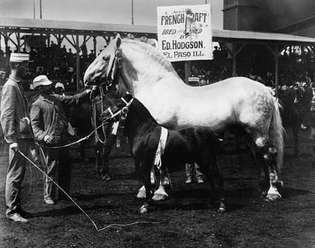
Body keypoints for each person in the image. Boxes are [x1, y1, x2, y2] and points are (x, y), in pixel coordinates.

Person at [30, 75, 91, 205]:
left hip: (62, 140)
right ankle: (48, 196)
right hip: (50, 142)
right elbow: (34, 127)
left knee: (65, 167)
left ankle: (64, 195)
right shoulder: (37, 104)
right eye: (46, 85)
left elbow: (73, 99)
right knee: (51, 168)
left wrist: (88, 92)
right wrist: (44, 136)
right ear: (40, 88)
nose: (49, 86)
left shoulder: (56, 98)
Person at [0, 53, 34, 222]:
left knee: (19, 174)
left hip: (23, 137)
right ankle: (12, 210)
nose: (27, 69)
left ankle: (16, 206)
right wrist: (11, 140)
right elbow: (6, 115)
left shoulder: (17, 85)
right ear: (17, 66)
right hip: (17, 139)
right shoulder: (10, 86)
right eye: (25, 66)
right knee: (14, 174)